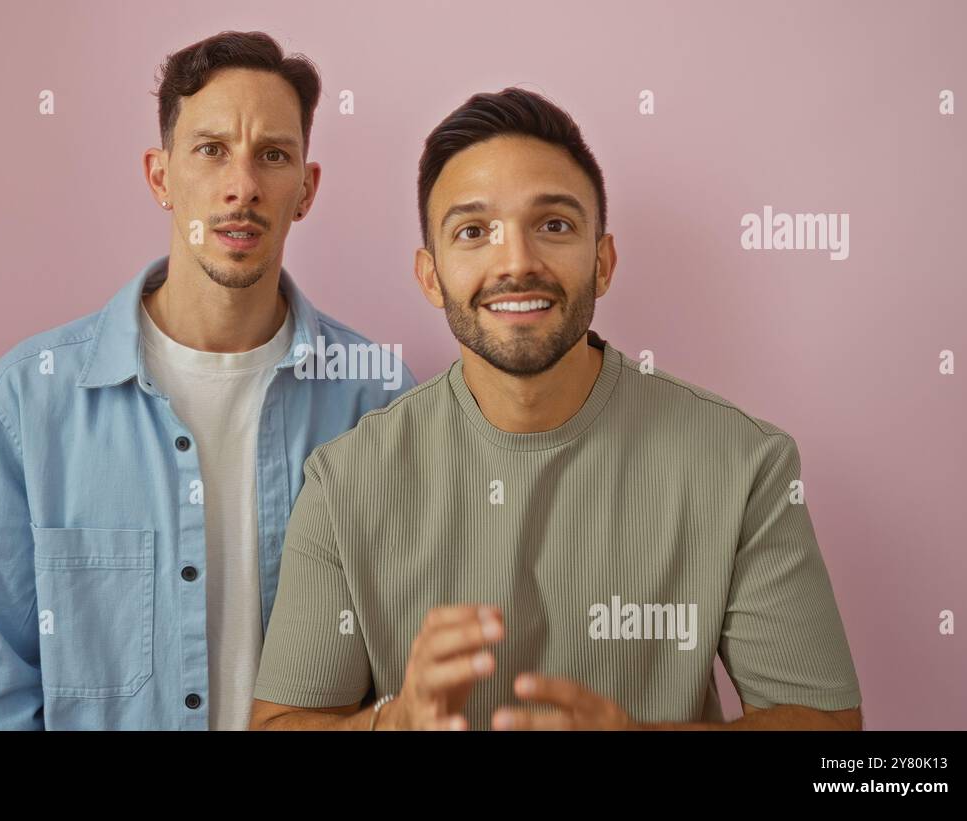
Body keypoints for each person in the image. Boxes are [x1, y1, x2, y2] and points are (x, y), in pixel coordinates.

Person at [250, 87, 862, 731]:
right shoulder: (344, 481)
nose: (516, 262)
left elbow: (832, 734)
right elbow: (280, 722)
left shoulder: (746, 466)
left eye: (554, 225)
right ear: (431, 276)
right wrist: (394, 723)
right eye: (474, 231)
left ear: (602, 263)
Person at [0, 31, 415, 730]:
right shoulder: (23, 405)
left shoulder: (380, 399)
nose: (241, 186)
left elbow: (402, 671)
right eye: (211, 149)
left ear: (306, 190)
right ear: (161, 176)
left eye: (272, 155)